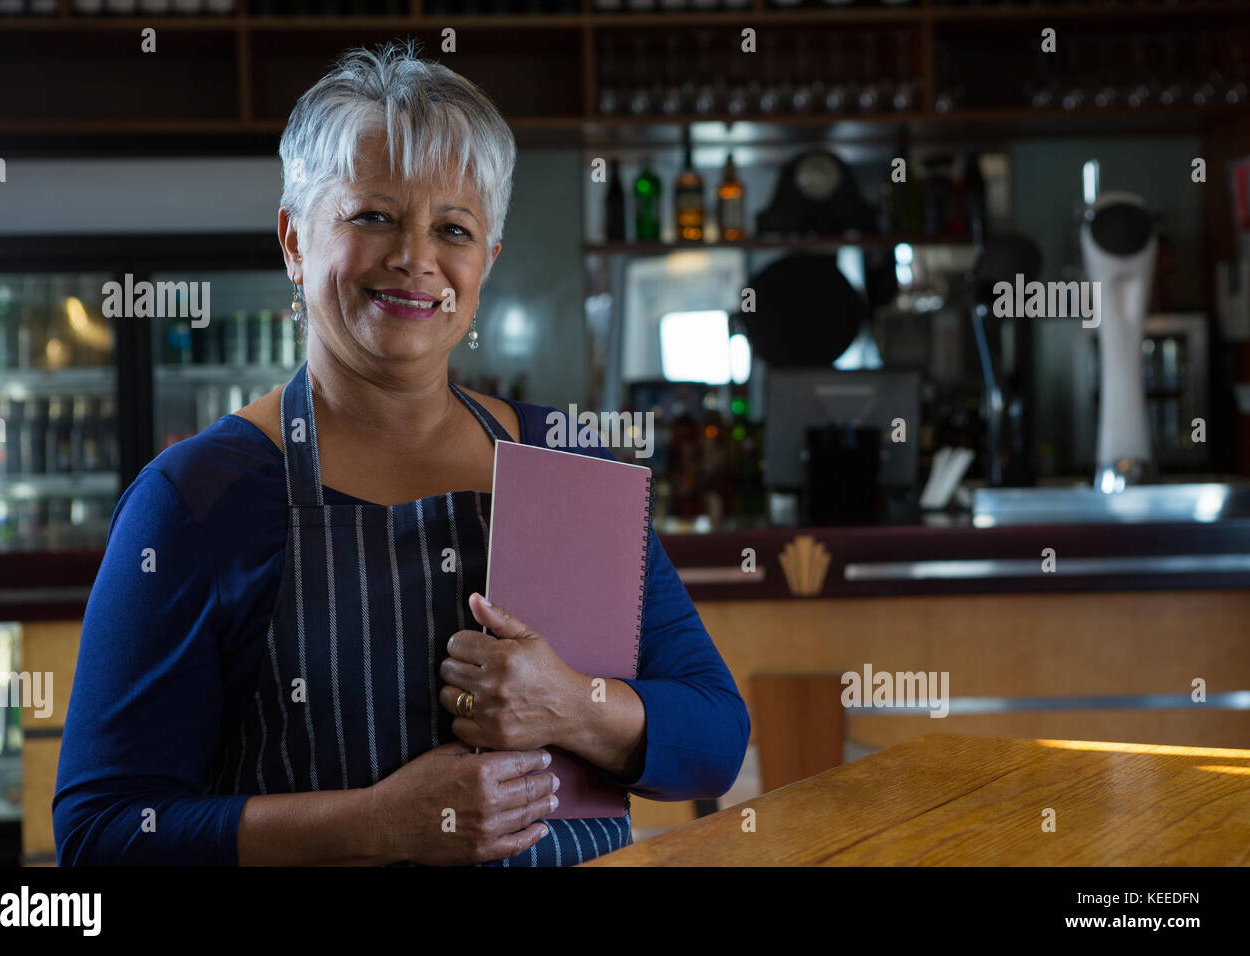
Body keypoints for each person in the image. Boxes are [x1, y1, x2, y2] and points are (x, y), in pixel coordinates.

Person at [53, 39, 749, 867]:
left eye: (452, 228)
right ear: (294, 240)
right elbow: (102, 835)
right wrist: (376, 822)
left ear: (484, 262)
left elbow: (714, 737)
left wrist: (571, 706)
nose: (415, 257)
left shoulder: (567, 462)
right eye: (373, 215)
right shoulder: (198, 498)